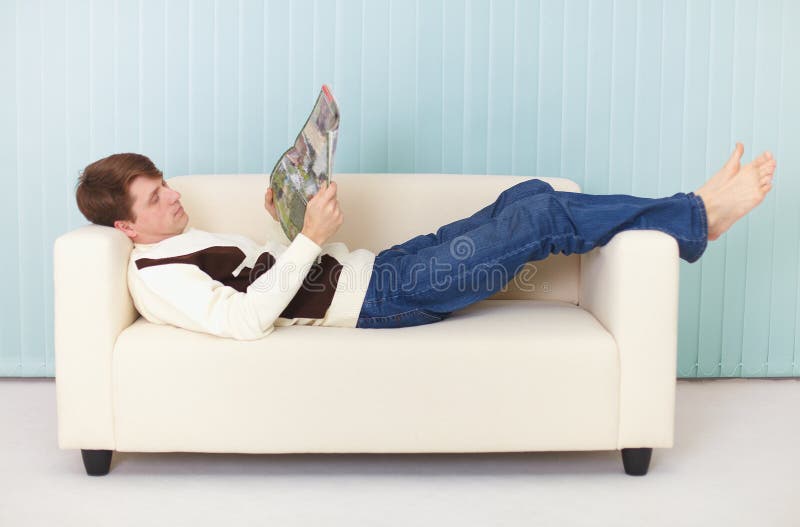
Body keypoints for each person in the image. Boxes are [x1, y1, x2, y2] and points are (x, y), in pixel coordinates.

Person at [74, 144, 776, 340]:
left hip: (377, 267)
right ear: (125, 227)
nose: (172, 194)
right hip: (383, 298)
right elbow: (245, 318)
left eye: (164, 181)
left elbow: (266, 275)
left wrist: (288, 223)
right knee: (538, 224)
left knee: (529, 195)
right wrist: (308, 239)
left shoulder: (187, 235)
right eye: (154, 196)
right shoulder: (155, 275)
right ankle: (698, 216)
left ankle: (690, 214)